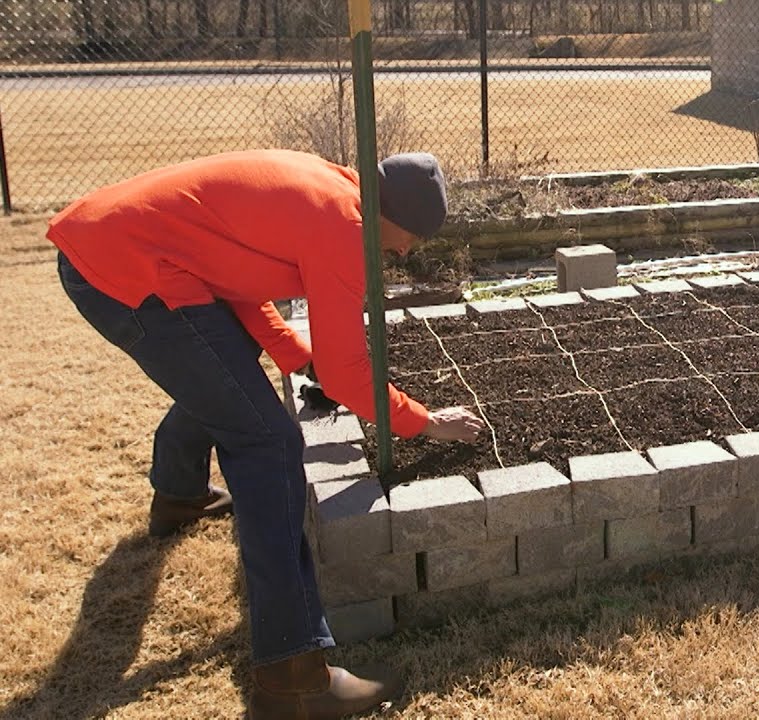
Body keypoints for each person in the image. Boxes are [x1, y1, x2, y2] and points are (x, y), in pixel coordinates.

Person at [48, 149, 486, 718]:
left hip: (122, 248)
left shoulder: (328, 188)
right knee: (268, 442)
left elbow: (237, 283)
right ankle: (293, 676)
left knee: (227, 381)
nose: (404, 252)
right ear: (387, 211)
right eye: (408, 238)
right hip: (125, 271)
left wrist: (299, 360)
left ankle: (180, 496)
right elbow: (348, 372)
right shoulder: (345, 229)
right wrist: (425, 422)